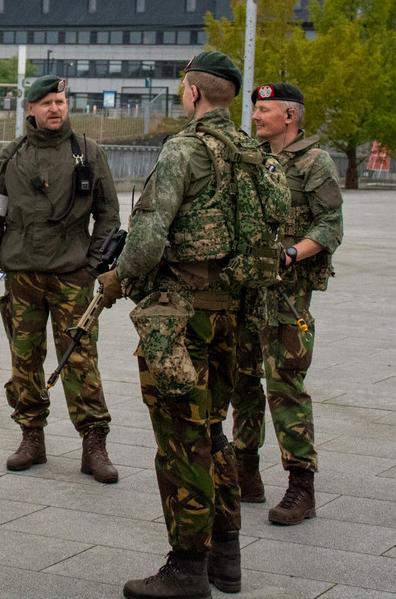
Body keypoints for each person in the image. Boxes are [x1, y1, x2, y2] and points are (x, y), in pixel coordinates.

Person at [99, 50, 275, 598]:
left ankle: (187, 566)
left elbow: (149, 237)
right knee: (213, 430)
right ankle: (226, 558)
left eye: (183, 88)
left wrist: (114, 282)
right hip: (236, 313)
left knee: (181, 439)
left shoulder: (184, 151)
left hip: (184, 317)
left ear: (193, 93)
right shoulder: (255, 154)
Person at [0, 74, 121, 482]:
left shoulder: (88, 152)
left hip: (73, 275)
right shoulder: (10, 156)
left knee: (79, 358)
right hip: (21, 276)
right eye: (48, 102)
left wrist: (93, 265)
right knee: (24, 359)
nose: (56, 108)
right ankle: (31, 437)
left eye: (61, 101)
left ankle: (94, 444)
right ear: (31, 110)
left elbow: (108, 215)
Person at [230, 82, 343, 528]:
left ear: (290, 116)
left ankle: (301, 486)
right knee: (242, 379)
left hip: (285, 292)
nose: (255, 116)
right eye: (255, 109)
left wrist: (292, 253)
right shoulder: (250, 157)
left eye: (264, 110)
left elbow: (331, 224)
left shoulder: (315, 163)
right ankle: (246, 471)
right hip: (245, 289)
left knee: (284, 382)